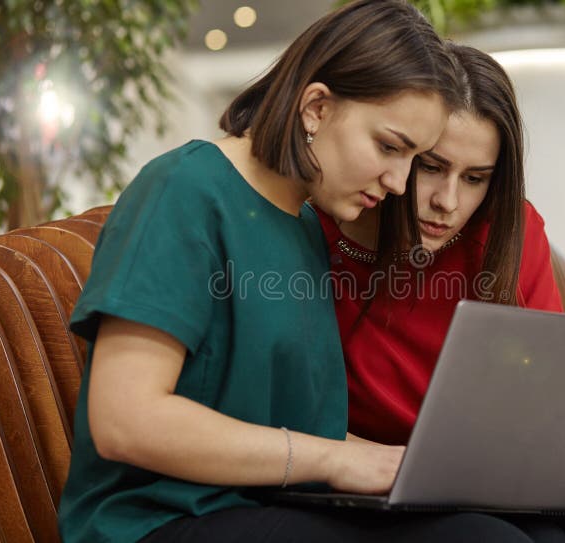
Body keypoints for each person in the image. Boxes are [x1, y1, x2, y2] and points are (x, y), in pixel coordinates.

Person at [57, 2, 539, 542]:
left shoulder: (306, 225)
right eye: (389, 147)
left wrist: (405, 464)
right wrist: (335, 461)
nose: (401, 183)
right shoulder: (182, 190)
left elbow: (306, 431)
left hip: (268, 507)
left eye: (414, 158)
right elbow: (126, 420)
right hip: (158, 521)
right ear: (315, 108)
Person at [317, 43, 565, 542]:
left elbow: (553, 394)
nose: (448, 201)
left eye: (476, 178)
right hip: (389, 481)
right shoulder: (328, 239)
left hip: (505, 470)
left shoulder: (509, 232)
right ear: (402, 152)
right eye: (432, 167)